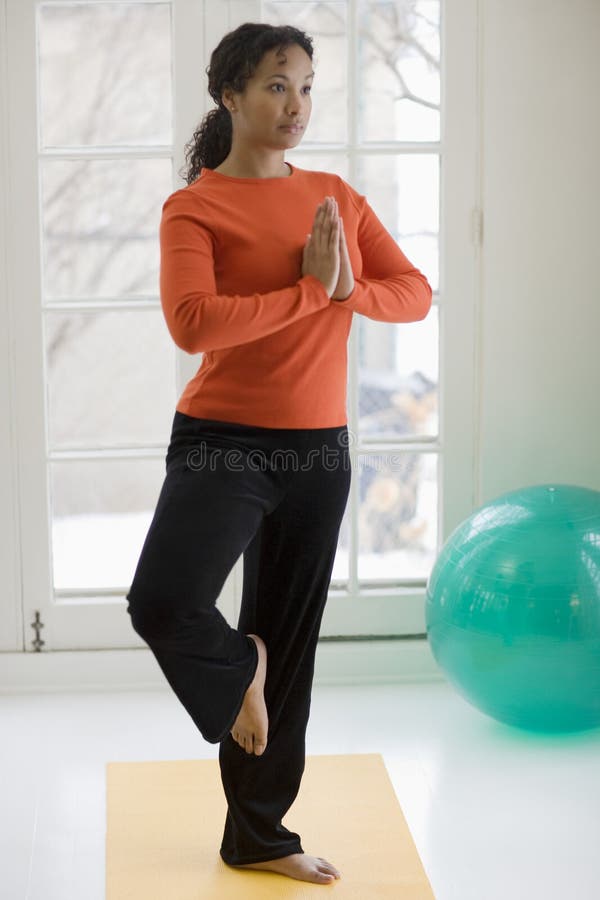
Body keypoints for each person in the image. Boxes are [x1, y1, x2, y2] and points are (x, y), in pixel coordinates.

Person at [125, 21, 432, 886]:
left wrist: (347, 288)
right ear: (229, 96)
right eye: (274, 86)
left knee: (290, 646)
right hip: (223, 441)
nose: (295, 104)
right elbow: (194, 323)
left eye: (304, 85)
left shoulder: (334, 195)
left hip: (316, 451)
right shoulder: (196, 206)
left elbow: (410, 295)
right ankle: (238, 669)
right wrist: (308, 291)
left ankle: (258, 836)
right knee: (164, 601)